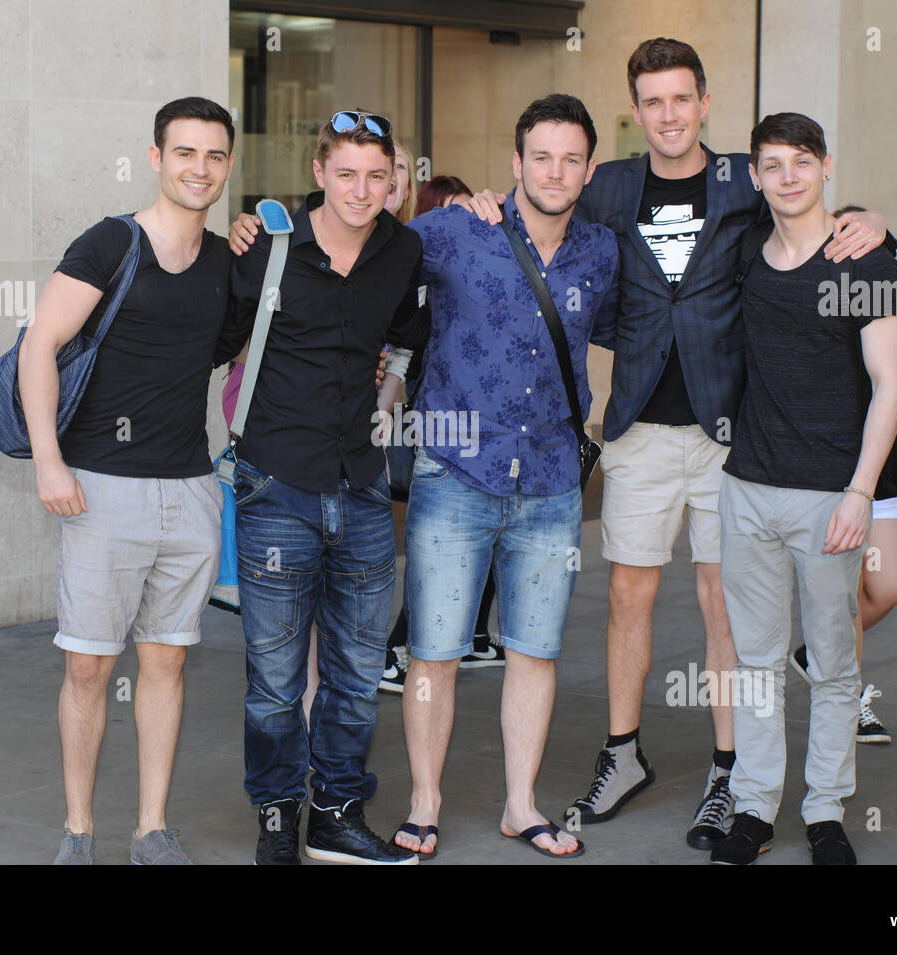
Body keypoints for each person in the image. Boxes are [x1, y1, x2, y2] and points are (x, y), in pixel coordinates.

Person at [462, 37, 892, 851]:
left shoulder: (743, 179)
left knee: (724, 604)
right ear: (636, 109)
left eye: (680, 99)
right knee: (629, 594)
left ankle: (730, 772)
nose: (667, 114)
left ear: (703, 102)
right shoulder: (608, 182)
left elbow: (809, 205)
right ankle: (623, 755)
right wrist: (484, 202)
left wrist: (873, 219)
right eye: (651, 101)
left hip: (733, 432)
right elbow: (539, 201)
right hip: (638, 427)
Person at [393, 94, 620, 860]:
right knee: (435, 649)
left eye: (570, 158)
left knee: (535, 648)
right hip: (455, 468)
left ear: (587, 169)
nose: (555, 171)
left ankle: (521, 805)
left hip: (554, 481)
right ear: (516, 163)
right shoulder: (455, 229)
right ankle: (424, 803)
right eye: (541, 156)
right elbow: (362, 261)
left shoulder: (602, 252)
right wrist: (258, 232)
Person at [19, 96, 237, 865]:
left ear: (228, 164)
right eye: (185, 153)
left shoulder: (223, 262)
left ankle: (151, 827)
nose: (199, 168)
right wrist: (49, 458)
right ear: (156, 157)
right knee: (86, 663)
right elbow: (39, 344)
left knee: (168, 658)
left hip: (188, 487)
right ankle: (78, 831)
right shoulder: (111, 242)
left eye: (214, 155)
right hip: (100, 488)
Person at [218, 109, 428, 865]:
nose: (362, 189)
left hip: (364, 487)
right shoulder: (269, 246)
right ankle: (278, 815)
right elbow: (213, 334)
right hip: (276, 482)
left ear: (395, 179)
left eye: (377, 175)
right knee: (275, 676)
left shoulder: (403, 250)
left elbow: (411, 331)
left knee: (355, 670)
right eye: (347, 173)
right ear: (319, 173)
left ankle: (337, 809)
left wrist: (393, 388)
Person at [712, 112, 897, 866]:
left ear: (826, 166)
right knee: (755, 662)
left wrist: (861, 492)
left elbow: (890, 383)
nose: (788, 176)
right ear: (756, 174)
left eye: (802, 161)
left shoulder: (863, 262)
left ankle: (825, 809)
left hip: (831, 493)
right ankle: (755, 807)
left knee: (831, 662)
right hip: (748, 489)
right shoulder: (744, 256)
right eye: (772, 163)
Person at [791, 219, 897, 746]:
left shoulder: (886, 304)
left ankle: (818, 653)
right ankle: (850, 703)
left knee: (891, 586)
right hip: (837, 477)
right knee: (850, 600)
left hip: (882, 481)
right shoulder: (826, 313)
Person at [377, 173, 508, 694]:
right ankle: (396, 648)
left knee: (486, 533)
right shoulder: (409, 259)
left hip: (469, 421)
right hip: (427, 419)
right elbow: (404, 345)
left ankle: (471, 634)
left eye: (399, 180)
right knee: (434, 544)